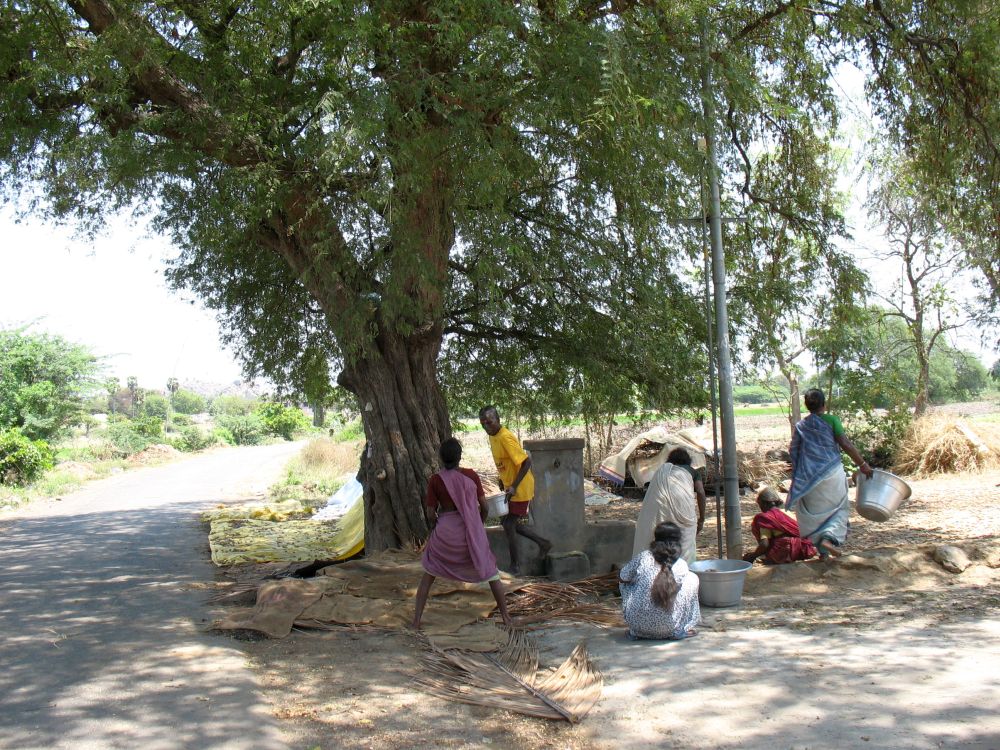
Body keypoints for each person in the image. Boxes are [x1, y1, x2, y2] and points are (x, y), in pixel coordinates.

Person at [412, 437, 512, 629]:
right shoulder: (471, 476)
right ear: (460, 456)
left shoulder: (435, 480)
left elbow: (430, 513)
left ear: (441, 458)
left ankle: (416, 622)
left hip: (445, 534)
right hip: (470, 533)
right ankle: (507, 618)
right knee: (491, 572)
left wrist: (437, 526)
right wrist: (477, 525)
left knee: (428, 574)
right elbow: (484, 507)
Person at [788, 388, 874, 558]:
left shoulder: (801, 426)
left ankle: (823, 554)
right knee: (838, 509)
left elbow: (793, 450)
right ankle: (829, 539)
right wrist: (863, 464)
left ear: (807, 405)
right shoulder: (832, 420)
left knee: (816, 515)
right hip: (832, 475)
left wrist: (800, 475)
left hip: (809, 479)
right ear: (824, 405)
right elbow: (845, 444)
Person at [478, 405, 552, 575]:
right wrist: (502, 480)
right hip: (510, 486)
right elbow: (504, 462)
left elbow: (526, 462)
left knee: (509, 524)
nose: (486, 426)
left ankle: (515, 566)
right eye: (483, 424)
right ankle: (543, 543)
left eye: (489, 422)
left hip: (520, 487)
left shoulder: (505, 437)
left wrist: (514, 486)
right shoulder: (493, 436)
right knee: (507, 522)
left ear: (498, 420)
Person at [618, 521, 700, 640]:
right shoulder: (681, 564)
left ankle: (635, 631)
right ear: (678, 542)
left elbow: (622, 577)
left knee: (625, 583)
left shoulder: (643, 557)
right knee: (693, 578)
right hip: (670, 627)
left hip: (637, 626)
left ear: (655, 539)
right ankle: (680, 630)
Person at [632, 447, 706, 564]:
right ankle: (684, 567)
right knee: (685, 538)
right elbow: (701, 492)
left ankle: (649, 567)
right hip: (683, 511)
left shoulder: (662, 472)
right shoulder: (693, 472)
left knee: (654, 536)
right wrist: (702, 518)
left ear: (670, 460)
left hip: (659, 508)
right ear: (688, 461)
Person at [742, 487, 817, 564]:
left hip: (785, 550)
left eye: (760, 505)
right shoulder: (787, 512)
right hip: (802, 547)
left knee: (769, 556)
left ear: (764, 504)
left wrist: (752, 556)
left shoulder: (766, 518)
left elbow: (764, 544)